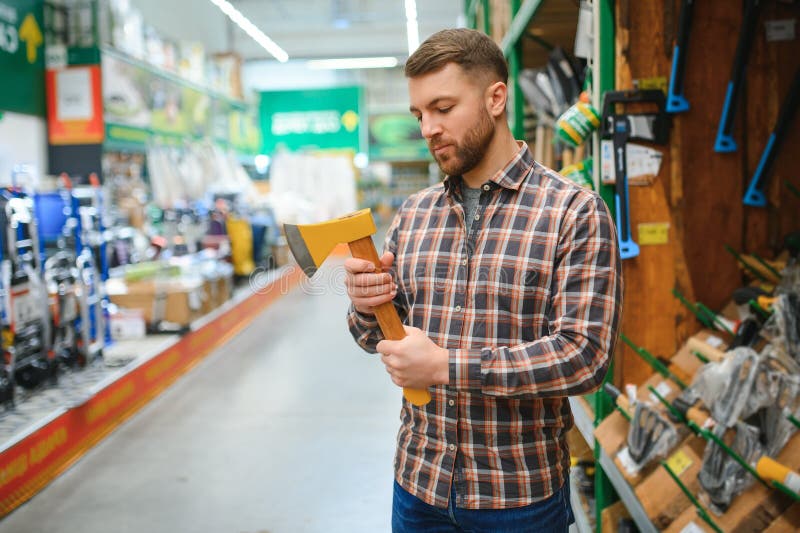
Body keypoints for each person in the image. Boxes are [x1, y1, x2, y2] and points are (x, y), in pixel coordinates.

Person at [345, 28, 622, 532]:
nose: (428, 128)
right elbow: (375, 338)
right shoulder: (413, 215)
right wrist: (367, 305)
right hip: (418, 485)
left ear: (495, 98)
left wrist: (448, 366)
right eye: (419, 114)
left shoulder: (573, 212)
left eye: (443, 108)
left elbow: (585, 357)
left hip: (518, 498)